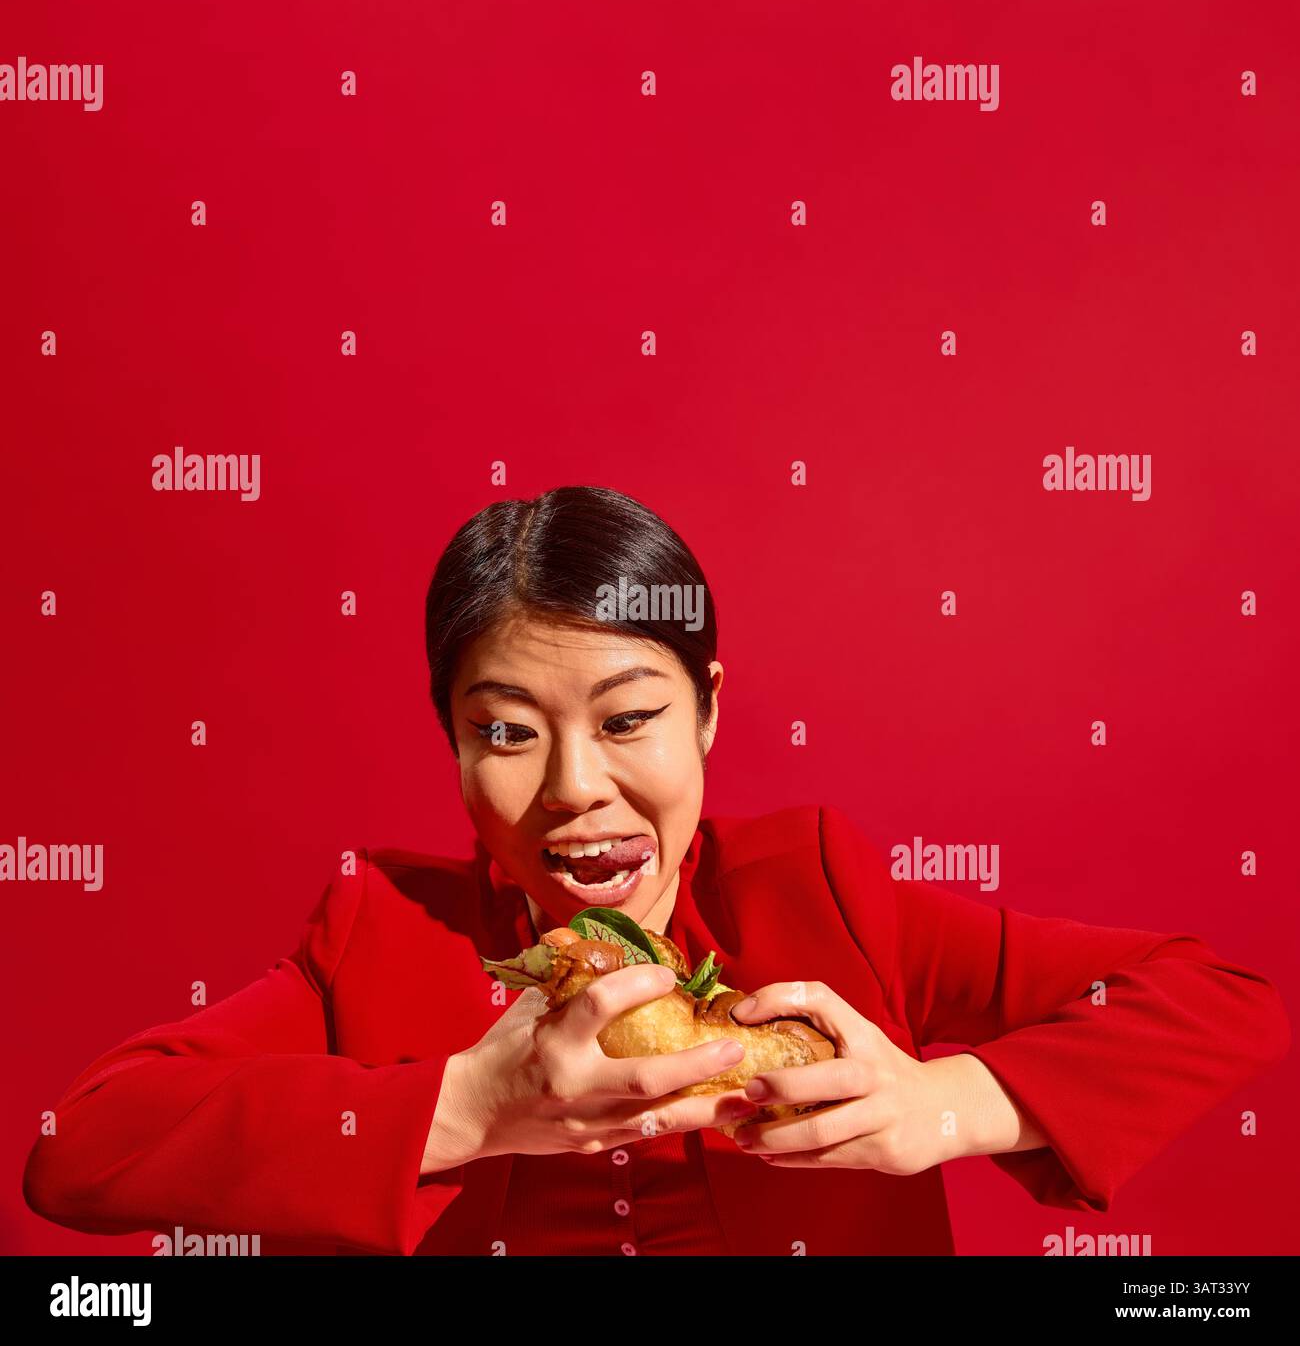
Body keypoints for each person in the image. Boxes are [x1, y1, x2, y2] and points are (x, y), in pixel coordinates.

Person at [22, 486, 1291, 1255]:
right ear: (451, 738)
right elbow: (79, 1148)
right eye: (505, 732)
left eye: (629, 719)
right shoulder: (383, 930)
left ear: (709, 711)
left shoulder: (823, 896)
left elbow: (1220, 994)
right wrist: (469, 1106)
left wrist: (944, 1106)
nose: (574, 785)